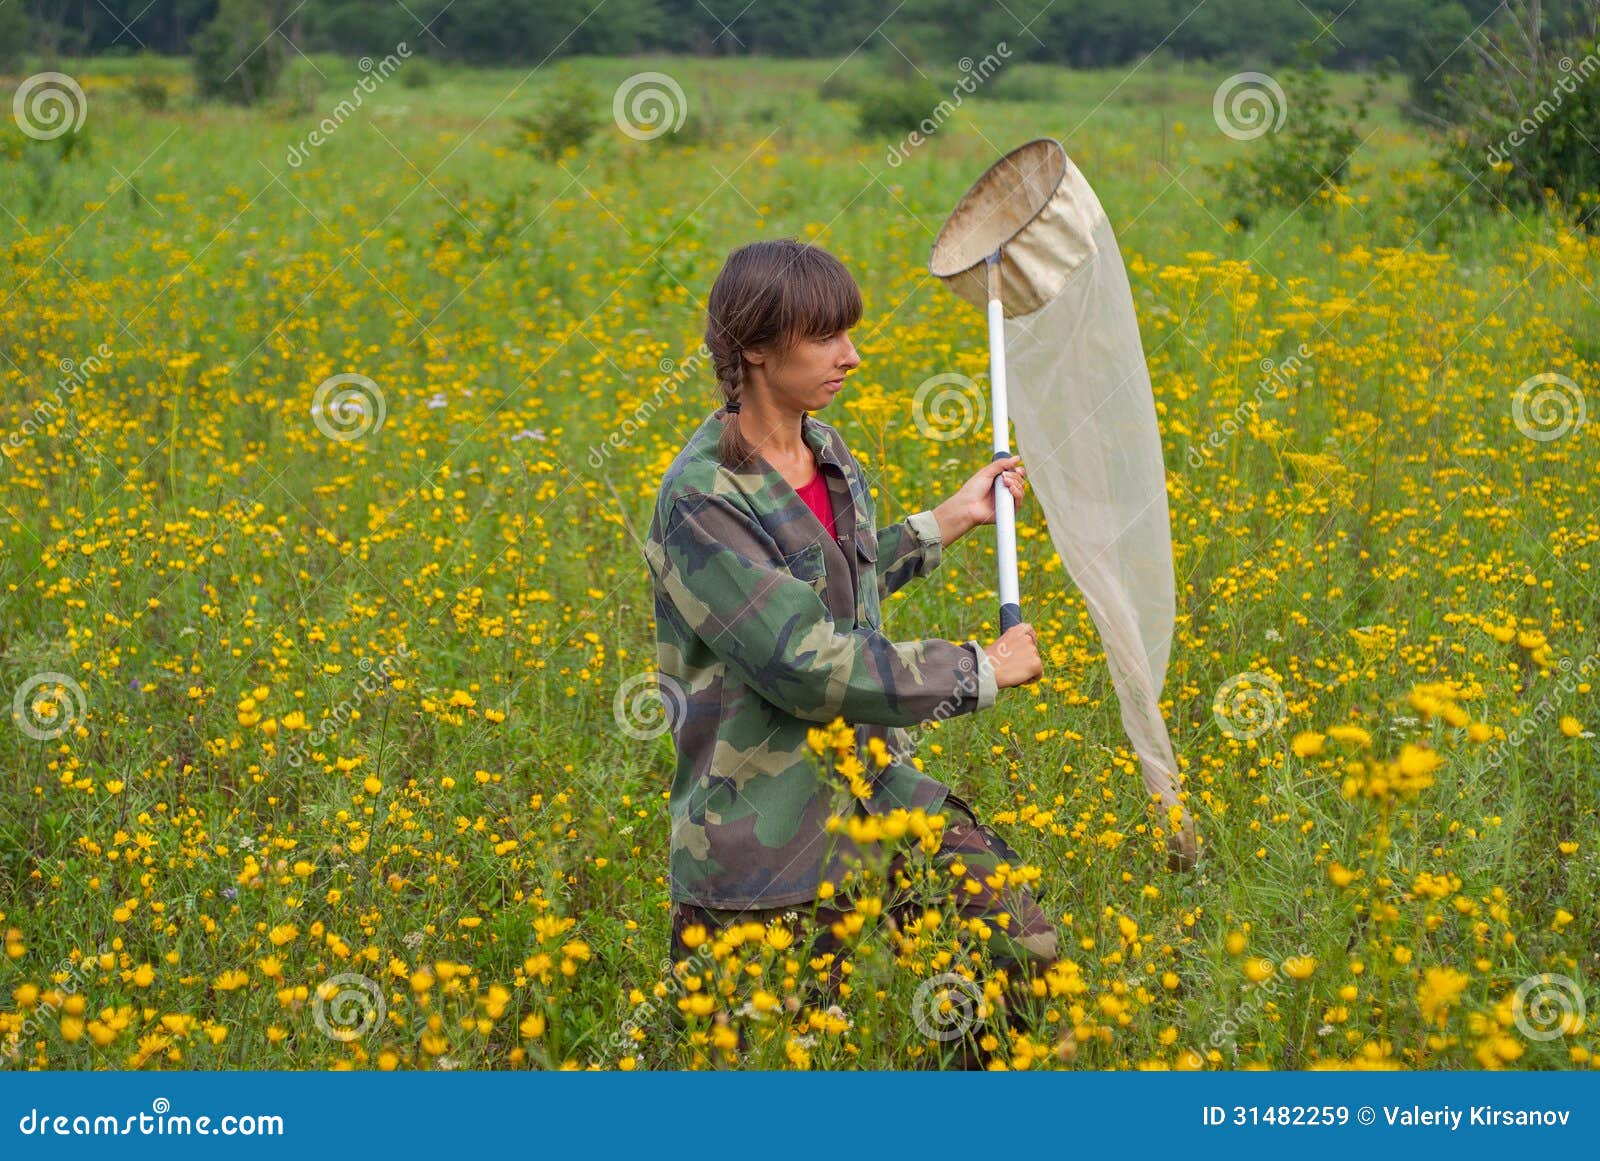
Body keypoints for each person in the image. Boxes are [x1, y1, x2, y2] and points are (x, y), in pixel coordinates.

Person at [642, 238, 1060, 1048]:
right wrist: (978, 668)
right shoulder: (702, 498)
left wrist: (948, 519)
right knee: (770, 1065)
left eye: (849, 332)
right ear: (756, 348)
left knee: (1021, 951)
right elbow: (804, 661)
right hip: (764, 839)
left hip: (873, 793)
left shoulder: (827, 454)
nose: (851, 355)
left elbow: (840, 588)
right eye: (826, 336)